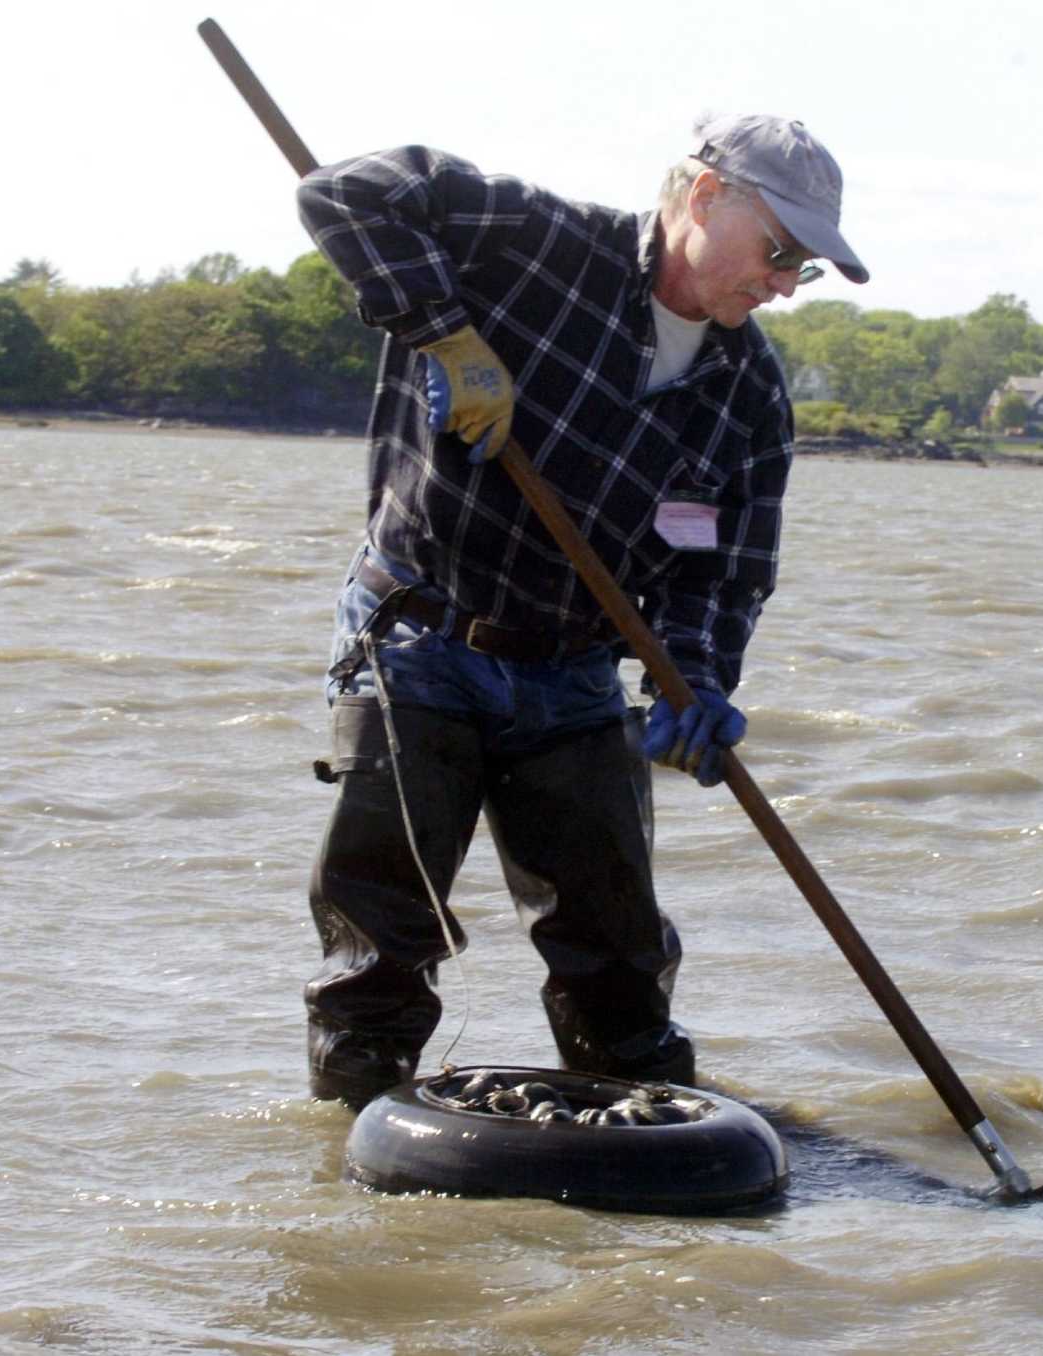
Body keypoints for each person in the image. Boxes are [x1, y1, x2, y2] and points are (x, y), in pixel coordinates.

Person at [294, 114, 869, 1109]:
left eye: (803, 268)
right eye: (778, 250)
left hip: (571, 674)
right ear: (701, 197)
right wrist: (444, 331)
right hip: (421, 634)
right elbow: (348, 191)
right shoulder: (532, 243)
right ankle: (349, 1149)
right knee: (380, 947)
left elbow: (720, 575)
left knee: (618, 955)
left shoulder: (747, 394)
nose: (781, 283)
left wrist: (692, 681)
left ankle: (648, 1134)